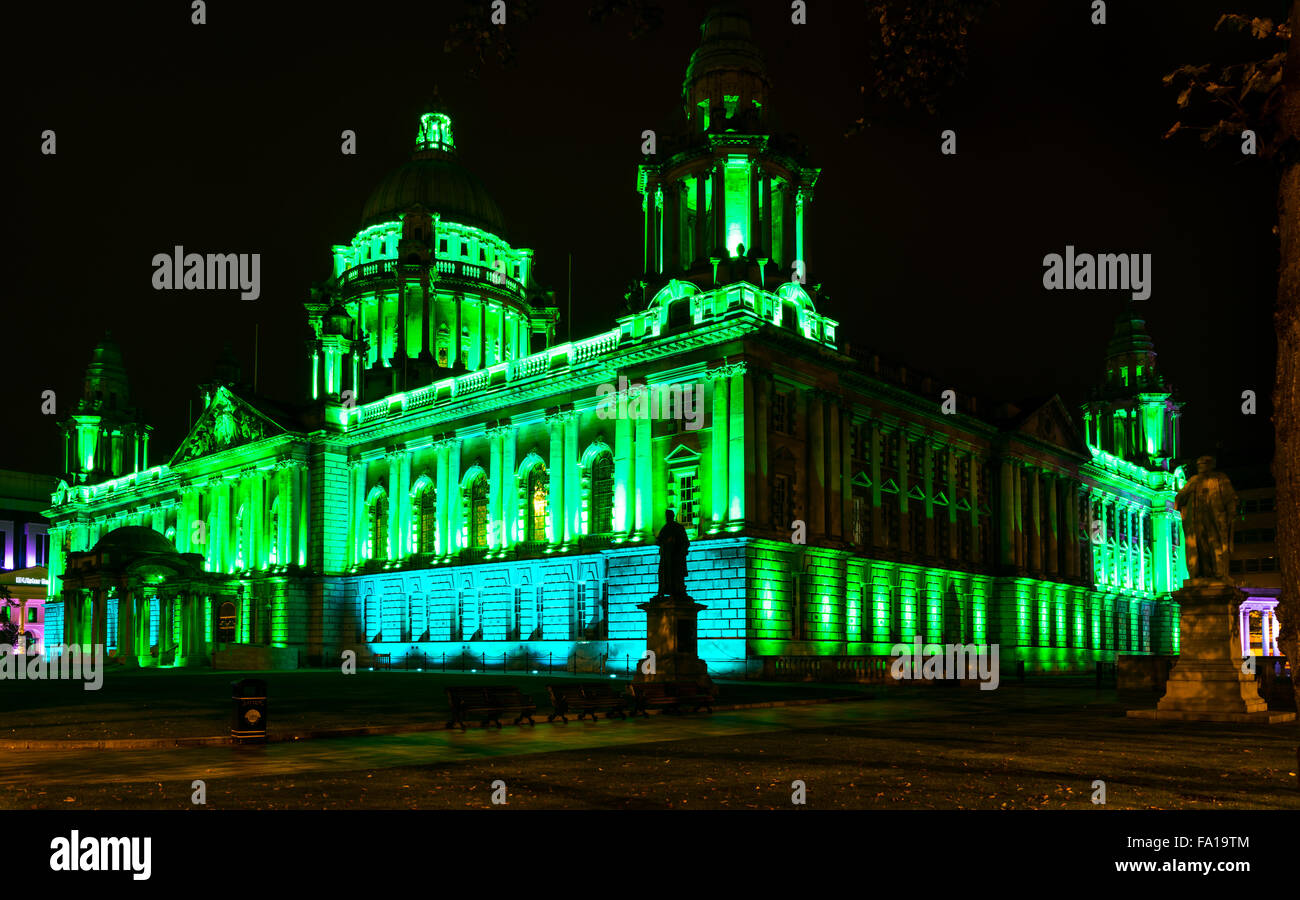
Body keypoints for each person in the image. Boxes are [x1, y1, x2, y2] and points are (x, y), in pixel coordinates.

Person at [1174, 455, 1238, 581]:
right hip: (1197, 520)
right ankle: (1200, 573)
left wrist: (1232, 511)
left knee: (1216, 547)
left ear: (1212, 465)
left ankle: (1219, 573)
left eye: (1205, 463)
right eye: (1199, 464)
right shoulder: (1194, 480)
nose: (1201, 466)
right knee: (1199, 547)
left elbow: (1230, 498)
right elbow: (1179, 498)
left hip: (1214, 520)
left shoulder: (1220, 478)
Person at [656, 510, 690, 597]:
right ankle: (663, 591)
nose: (667, 518)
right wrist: (666, 542)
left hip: (675, 557)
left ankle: (677, 591)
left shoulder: (678, 527)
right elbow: (658, 541)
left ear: (672, 516)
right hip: (667, 557)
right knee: (664, 574)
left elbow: (685, 542)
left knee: (675, 574)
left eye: (668, 516)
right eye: (666, 516)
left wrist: (675, 543)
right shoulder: (665, 528)